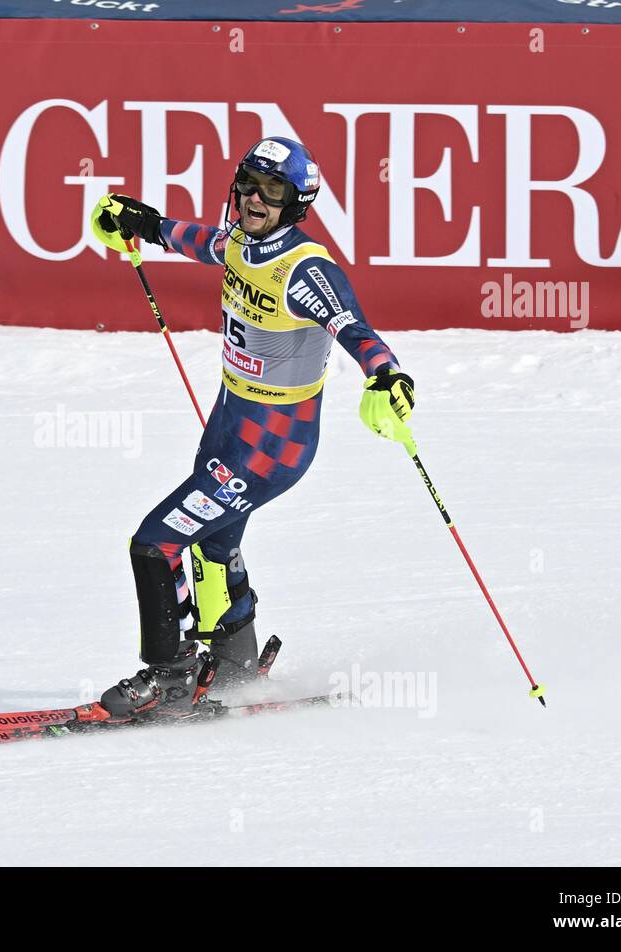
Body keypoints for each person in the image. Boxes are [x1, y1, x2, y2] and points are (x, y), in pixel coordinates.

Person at [90, 136, 415, 719]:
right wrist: (149, 223)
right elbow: (208, 244)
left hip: (272, 446)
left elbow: (354, 328)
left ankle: (168, 674)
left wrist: (386, 376)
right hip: (229, 421)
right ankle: (234, 660)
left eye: (271, 190)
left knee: (154, 542)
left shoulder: (304, 268)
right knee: (214, 542)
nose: (253, 199)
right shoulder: (241, 240)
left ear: (296, 202)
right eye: (246, 184)